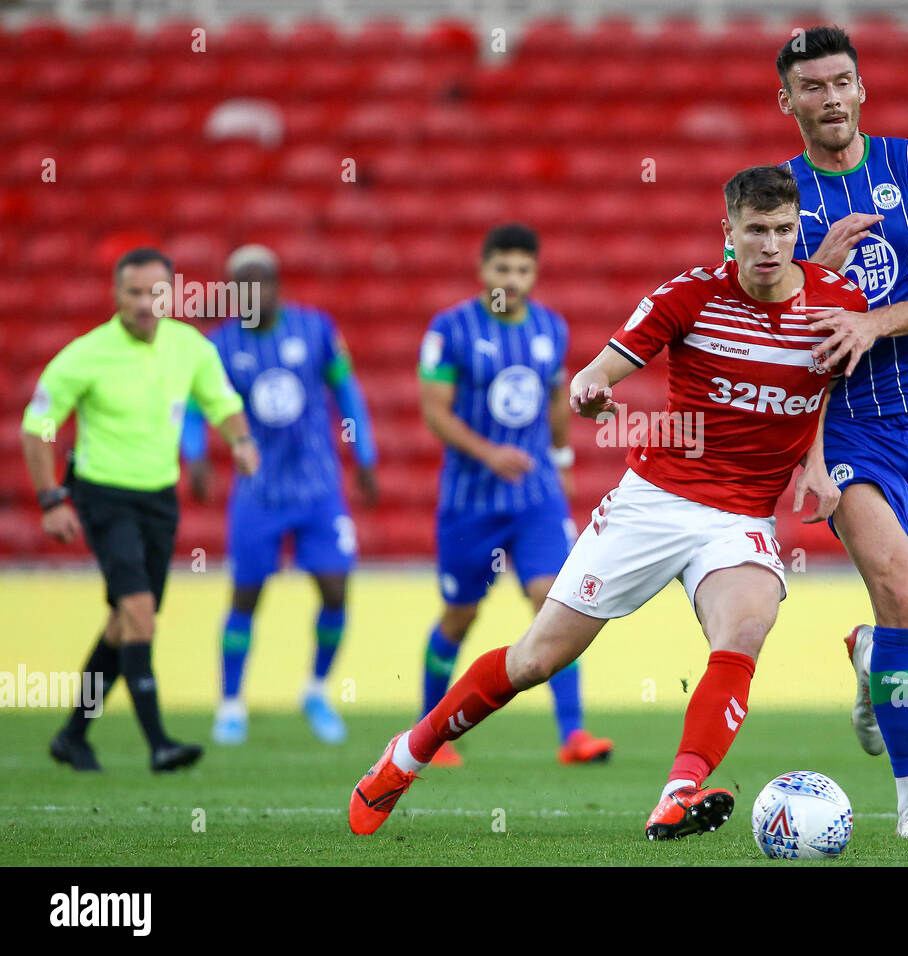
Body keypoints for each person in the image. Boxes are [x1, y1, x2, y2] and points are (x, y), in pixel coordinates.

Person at [349, 165, 855, 839]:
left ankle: (678, 791)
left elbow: (823, 389)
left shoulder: (836, 302)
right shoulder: (690, 295)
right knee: (535, 659)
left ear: (799, 230)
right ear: (727, 232)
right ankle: (406, 754)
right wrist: (591, 388)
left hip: (740, 518)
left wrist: (815, 464)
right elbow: (601, 368)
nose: (769, 245)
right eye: (755, 230)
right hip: (657, 503)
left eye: (783, 230)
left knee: (745, 633)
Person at [737, 25, 908, 840]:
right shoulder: (777, 207)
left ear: (861, 88)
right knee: (901, 591)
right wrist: (810, 275)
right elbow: (755, 325)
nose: (831, 98)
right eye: (812, 87)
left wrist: (872, 321)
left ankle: (874, 653)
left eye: (842, 82)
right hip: (845, 427)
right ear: (788, 101)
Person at [21, 247, 258, 772]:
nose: (145, 303)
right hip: (102, 495)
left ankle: (72, 736)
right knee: (140, 614)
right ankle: (159, 745)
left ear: (171, 294)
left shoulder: (189, 348)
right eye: (133, 293)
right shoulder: (86, 354)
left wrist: (240, 442)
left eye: (155, 293)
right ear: (116, 295)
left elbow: (222, 403)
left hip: (158, 499)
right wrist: (51, 498)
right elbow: (37, 426)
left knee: (124, 623)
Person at [417, 224, 611, 766]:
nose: (513, 280)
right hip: (469, 501)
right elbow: (435, 411)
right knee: (459, 616)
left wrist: (564, 460)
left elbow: (555, 402)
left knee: (555, 601)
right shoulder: (449, 329)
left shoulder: (551, 328)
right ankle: (429, 736)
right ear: (483, 271)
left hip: (535, 499)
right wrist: (489, 454)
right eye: (503, 269)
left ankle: (573, 735)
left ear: (534, 274)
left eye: (523, 270)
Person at [182, 244, 379, 746]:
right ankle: (230, 704)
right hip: (259, 492)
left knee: (335, 589)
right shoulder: (219, 347)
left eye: (260, 283)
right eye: (240, 286)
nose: (252, 295)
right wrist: (197, 454)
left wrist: (366, 456)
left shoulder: (316, 330)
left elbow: (347, 393)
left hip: (318, 489)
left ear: (276, 286)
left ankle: (315, 689)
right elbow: (194, 407)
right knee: (246, 596)